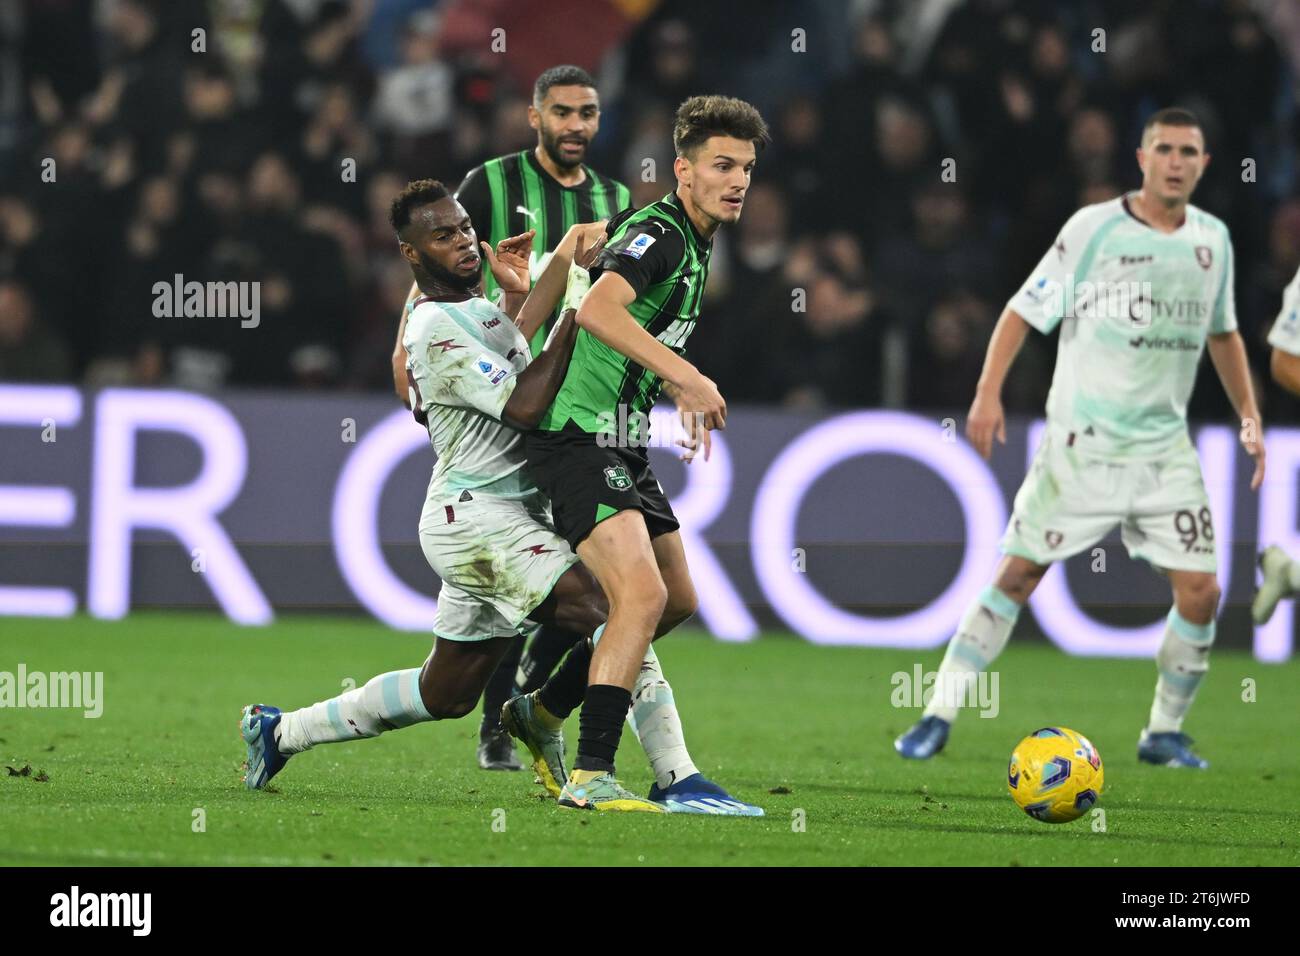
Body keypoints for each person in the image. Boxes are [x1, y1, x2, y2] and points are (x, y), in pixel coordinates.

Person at [244, 179, 760, 815]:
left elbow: (516, 364)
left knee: (446, 693)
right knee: (623, 607)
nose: (463, 242)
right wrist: (576, 303)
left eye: (463, 228)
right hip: (480, 521)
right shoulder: (432, 326)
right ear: (410, 254)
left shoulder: (480, 310)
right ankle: (671, 774)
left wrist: (521, 297)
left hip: (508, 517)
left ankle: (279, 731)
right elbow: (525, 403)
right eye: (443, 236)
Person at [894, 108, 1265, 770]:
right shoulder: (1094, 229)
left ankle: (1162, 732)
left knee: (1202, 590)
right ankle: (936, 714)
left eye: (1189, 151)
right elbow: (1021, 311)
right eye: (1165, 149)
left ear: (1205, 165)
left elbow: (1225, 334)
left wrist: (1249, 415)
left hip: (1164, 451)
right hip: (1082, 445)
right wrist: (987, 392)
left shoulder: (1214, 240)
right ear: (1142, 158)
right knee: (1018, 573)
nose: (1176, 161)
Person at [521, 95, 771, 808]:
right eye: (722, 165)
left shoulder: (690, 233)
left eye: (747, 168)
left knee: (677, 600)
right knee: (640, 594)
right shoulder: (664, 228)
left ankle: (539, 711)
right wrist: (684, 376)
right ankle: (592, 774)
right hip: (577, 430)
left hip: (622, 437)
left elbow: (588, 242)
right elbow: (599, 308)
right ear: (683, 172)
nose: (738, 181)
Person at [392, 64, 632, 771]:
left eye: (588, 113)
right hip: (511, 387)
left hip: (575, 399)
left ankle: (530, 705)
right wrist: (404, 359)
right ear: (535, 117)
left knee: (595, 584)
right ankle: (523, 725)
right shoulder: (487, 186)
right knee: (596, 594)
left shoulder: (615, 196)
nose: (576, 126)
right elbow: (436, 289)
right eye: (562, 112)